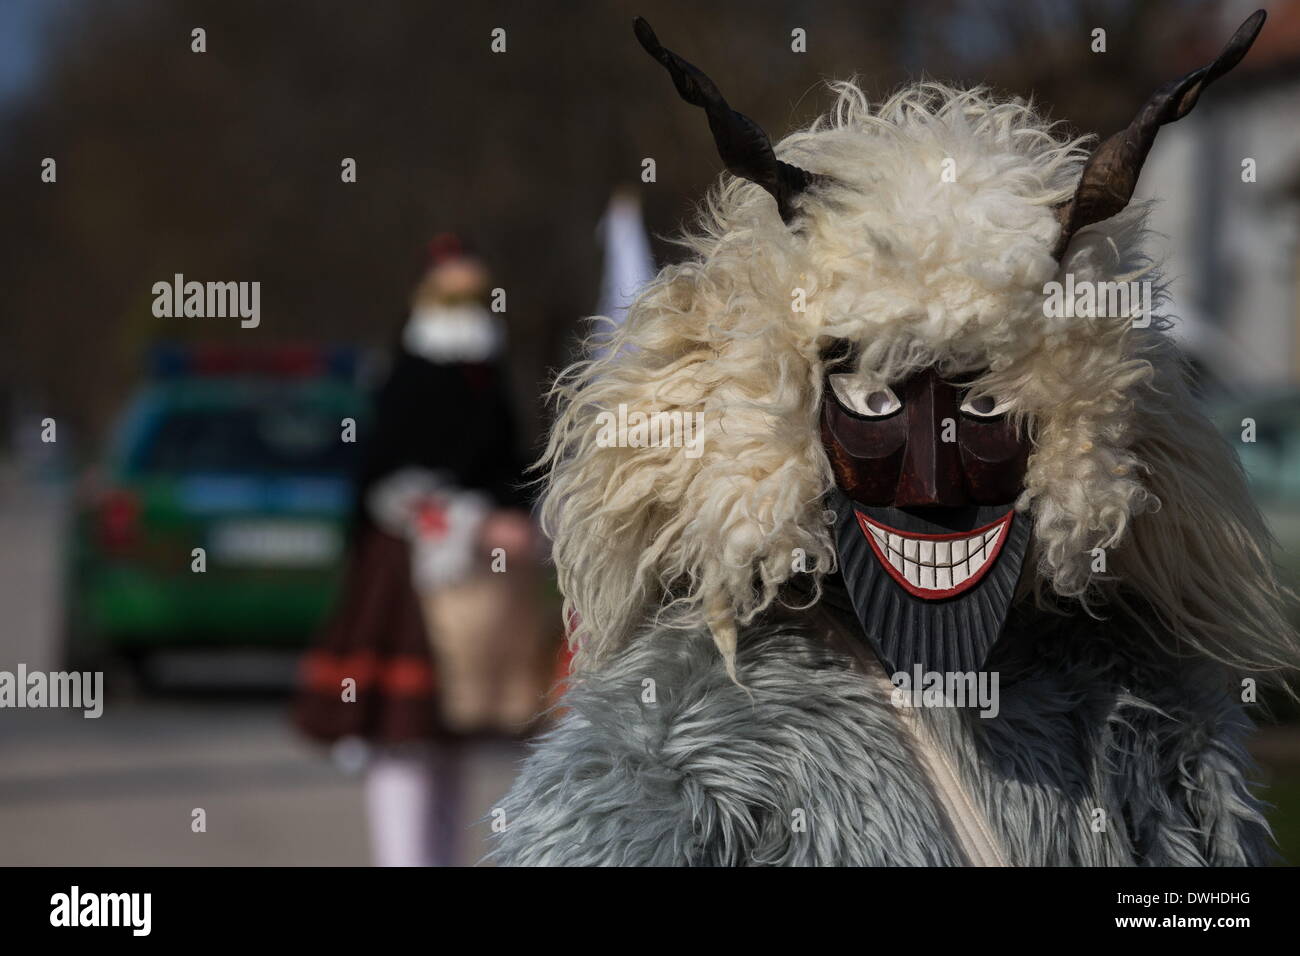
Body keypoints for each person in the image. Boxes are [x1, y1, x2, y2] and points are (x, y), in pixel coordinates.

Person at [490, 13, 1299, 865]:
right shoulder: (680, 739)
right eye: (875, 400)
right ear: (782, 420)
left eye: (986, 409)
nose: (928, 482)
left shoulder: (1141, 717)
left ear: (1071, 428)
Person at [295, 234, 550, 867]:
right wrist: (476, 525)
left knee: (445, 738)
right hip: (409, 577)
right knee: (401, 737)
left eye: (475, 294)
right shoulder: (409, 376)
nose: (467, 306)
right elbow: (389, 483)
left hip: (476, 589)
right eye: (452, 294)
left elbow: (507, 469)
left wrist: (523, 518)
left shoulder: (486, 378)